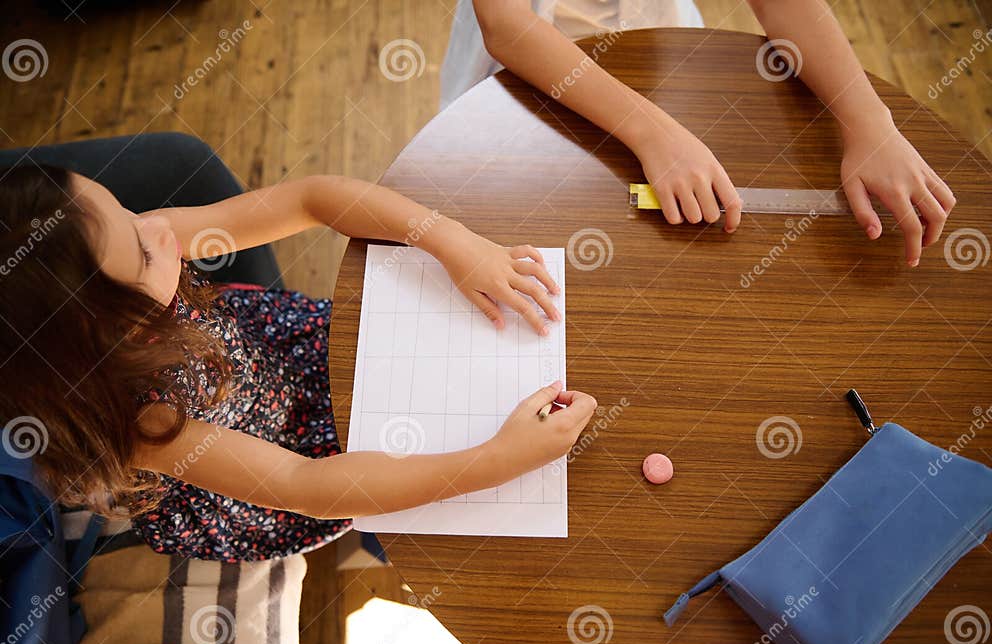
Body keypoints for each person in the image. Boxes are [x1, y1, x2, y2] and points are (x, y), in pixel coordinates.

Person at [0, 133, 596, 562]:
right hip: (282, 461)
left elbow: (312, 200)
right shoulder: (144, 424)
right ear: (113, 334)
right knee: (420, 513)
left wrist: (451, 240)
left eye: (127, 209)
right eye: (143, 249)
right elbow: (305, 485)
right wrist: (494, 463)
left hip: (286, 347)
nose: (159, 225)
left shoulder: (147, 241)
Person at [444, 0, 956, 267]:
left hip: (663, 52)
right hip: (528, 76)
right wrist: (653, 133)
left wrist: (869, 120)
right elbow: (507, 23)